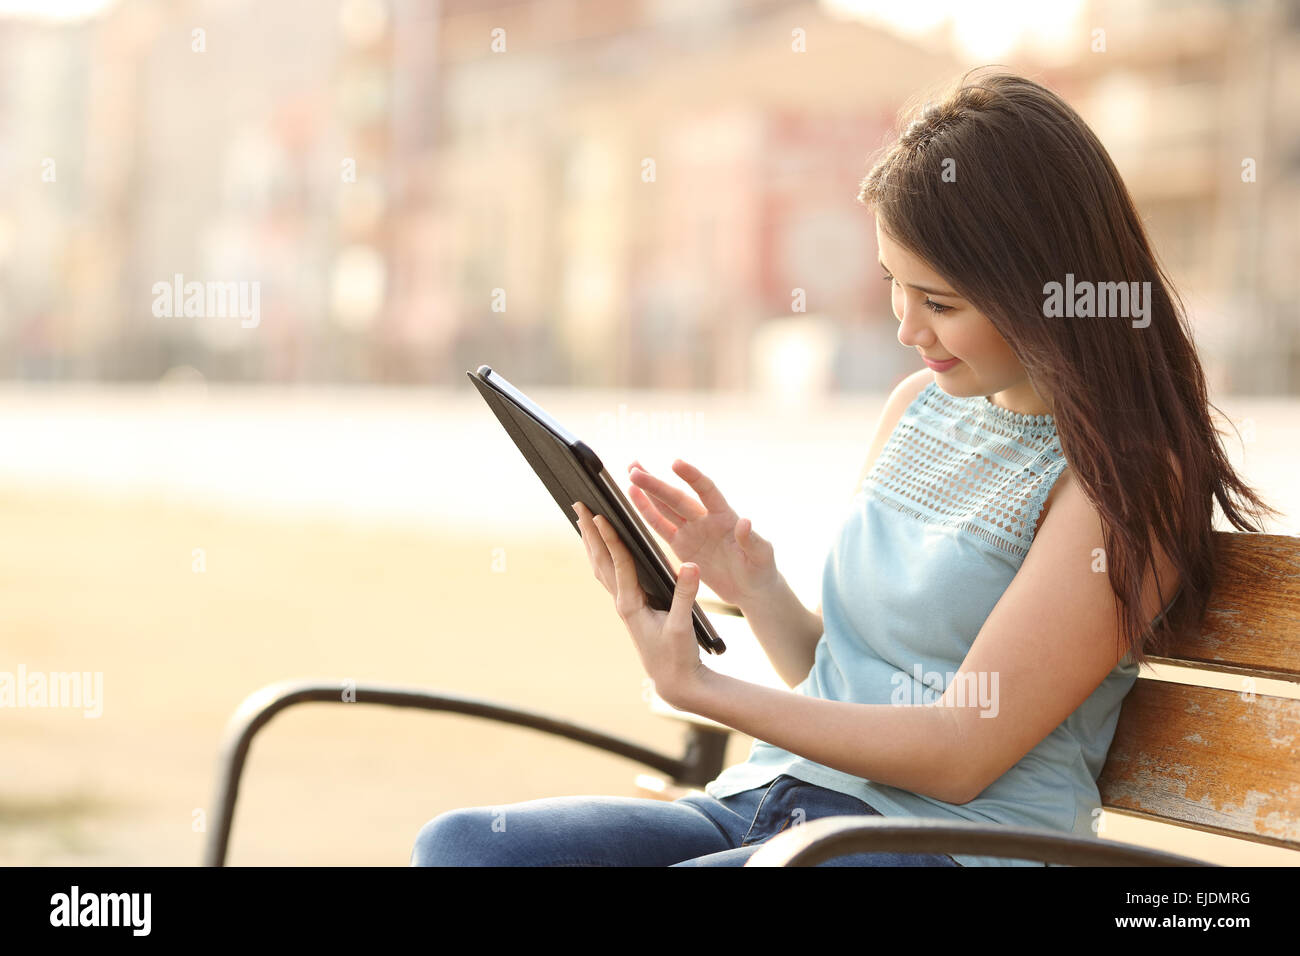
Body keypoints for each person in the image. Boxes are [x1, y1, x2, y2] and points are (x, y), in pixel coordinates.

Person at [410, 67, 1279, 867]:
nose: (908, 328)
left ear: (1044, 286)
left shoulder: (1128, 481)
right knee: (462, 849)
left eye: (940, 302)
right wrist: (759, 588)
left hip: (937, 845)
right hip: (776, 809)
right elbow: (848, 677)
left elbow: (958, 750)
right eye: (893, 285)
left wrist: (704, 690)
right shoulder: (919, 406)